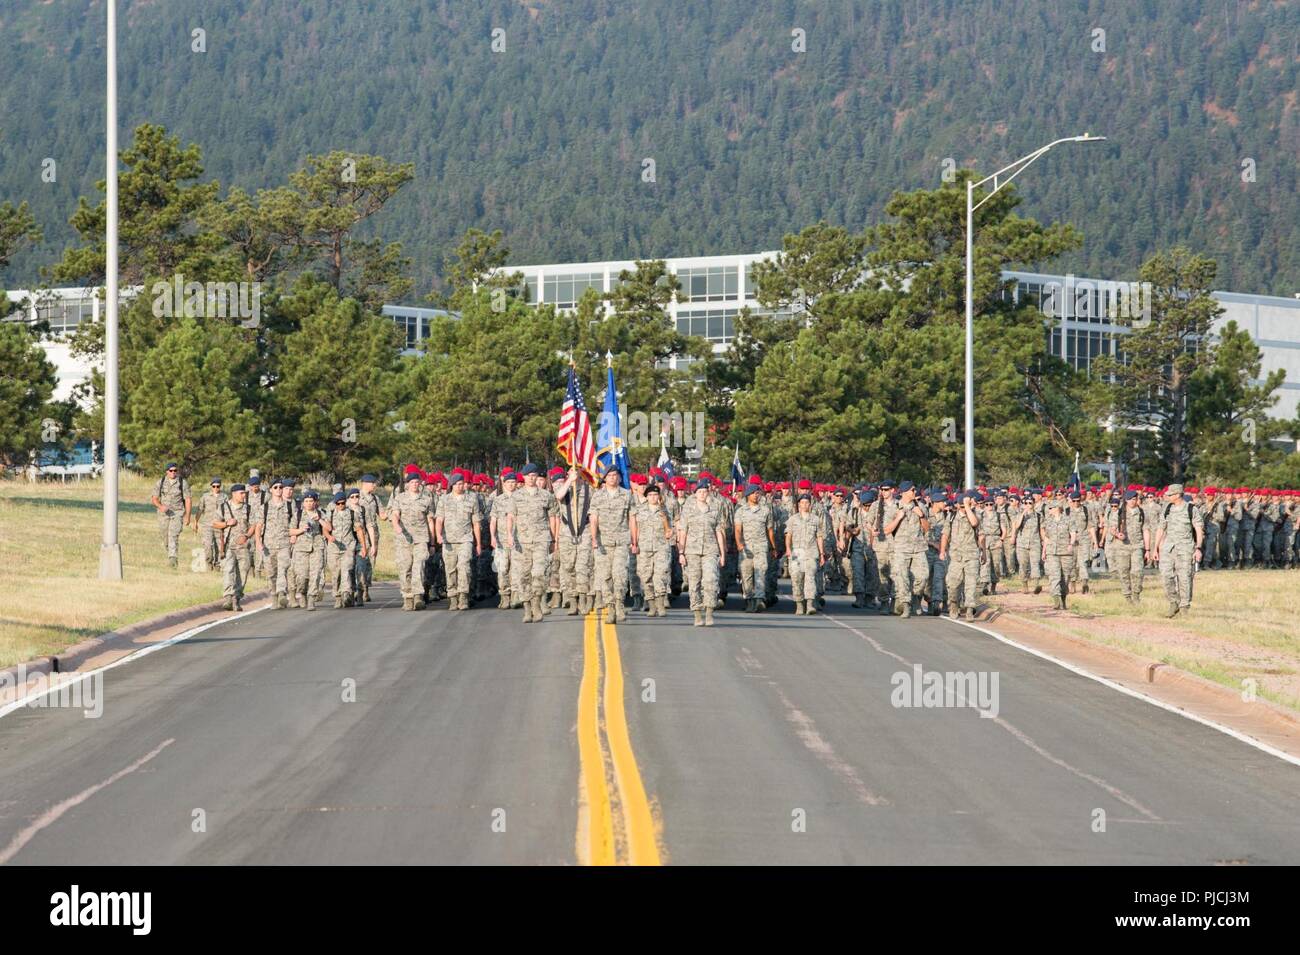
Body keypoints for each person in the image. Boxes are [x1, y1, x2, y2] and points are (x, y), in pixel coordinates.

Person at [506, 463, 555, 624]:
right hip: (522, 541)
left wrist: (554, 539)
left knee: (539, 573)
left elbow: (553, 517)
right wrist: (509, 534)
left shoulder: (546, 495)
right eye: (529, 476)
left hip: (541, 539)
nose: (532, 478)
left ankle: (536, 604)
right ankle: (527, 608)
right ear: (524, 477)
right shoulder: (516, 496)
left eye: (534, 475)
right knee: (524, 576)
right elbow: (511, 516)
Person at [590, 468, 638, 622]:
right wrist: (593, 538)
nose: (612, 478)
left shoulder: (627, 494)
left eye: (615, 475)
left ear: (619, 477)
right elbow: (594, 518)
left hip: (621, 541)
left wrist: (634, 541)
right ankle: (610, 607)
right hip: (603, 542)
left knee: (620, 574)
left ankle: (619, 604)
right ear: (604, 479)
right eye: (609, 476)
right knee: (605, 577)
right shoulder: (597, 496)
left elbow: (632, 519)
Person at [679, 477, 727, 625]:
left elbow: (719, 531)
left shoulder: (715, 509)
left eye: (705, 491)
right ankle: (697, 615)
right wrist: (681, 553)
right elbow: (683, 532)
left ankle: (709, 613)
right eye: (699, 491)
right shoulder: (688, 509)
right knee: (694, 583)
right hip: (691, 551)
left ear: (708, 493)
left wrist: (722, 553)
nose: (702, 494)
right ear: (695, 494)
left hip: (710, 550)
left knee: (711, 580)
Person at [436, 472, 483, 610]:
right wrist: (438, 535)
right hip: (449, 541)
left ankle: (463, 596)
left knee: (464, 567)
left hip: (465, 539)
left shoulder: (472, 499)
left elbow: (476, 522)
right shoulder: (444, 500)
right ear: (452, 485)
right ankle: (453, 597)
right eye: (456, 484)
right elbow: (439, 519)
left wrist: (478, 543)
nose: (459, 486)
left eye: (461, 483)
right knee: (450, 570)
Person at [1155, 483, 1203, 618]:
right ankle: (1173, 602)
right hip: (1168, 548)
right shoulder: (1167, 508)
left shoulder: (1191, 509)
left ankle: (1184, 607)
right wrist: (1155, 548)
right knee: (1165, 575)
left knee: (1185, 578)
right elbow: (1161, 528)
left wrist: (1198, 548)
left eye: (1170, 495)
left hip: (1186, 548)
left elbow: (1199, 530)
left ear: (1177, 495)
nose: (1167, 497)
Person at [884, 481, 930, 619]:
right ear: (903, 492)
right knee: (902, 578)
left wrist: (921, 516)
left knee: (923, 576)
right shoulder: (894, 508)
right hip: (901, 549)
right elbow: (886, 530)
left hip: (918, 548)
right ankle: (906, 605)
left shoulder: (920, 506)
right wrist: (898, 518)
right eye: (912, 490)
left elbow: (927, 528)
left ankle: (916, 597)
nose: (915, 493)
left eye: (915, 490)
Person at [392, 472, 436, 611]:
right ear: (407, 484)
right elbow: (395, 514)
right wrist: (396, 526)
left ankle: (418, 596)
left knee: (419, 566)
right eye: (412, 482)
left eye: (417, 482)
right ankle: (407, 597)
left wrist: (433, 542)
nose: (415, 484)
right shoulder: (400, 498)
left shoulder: (426, 499)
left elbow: (430, 521)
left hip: (421, 538)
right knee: (405, 567)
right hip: (404, 539)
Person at [554, 466, 594, 615]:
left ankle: (583, 598)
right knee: (569, 567)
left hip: (585, 531)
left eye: (577, 472)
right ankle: (573, 600)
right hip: (567, 533)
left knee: (583, 567)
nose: (575, 474)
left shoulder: (590, 489)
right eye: (571, 471)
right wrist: (569, 481)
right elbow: (559, 496)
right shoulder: (561, 486)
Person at [213, 483, 260, 612]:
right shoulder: (224, 507)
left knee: (243, 572)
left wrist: (246, 535)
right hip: (228, 545)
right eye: (241, 493)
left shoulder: (248, 509)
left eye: (244, 493)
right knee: (228, 570)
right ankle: (228, 597)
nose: (243, 495)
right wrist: (226, 523)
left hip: (244, 546)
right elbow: (215, 523)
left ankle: (236, 598)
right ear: (233, 494)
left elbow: (253, 525)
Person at [734, 480, 775, 613]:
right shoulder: (741, 511)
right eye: (753, 493)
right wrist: (739, 544)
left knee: (761, 572)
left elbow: (769, 530)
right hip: (746, 547)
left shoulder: (765, 510)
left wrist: (773, 547)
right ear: (748, 495)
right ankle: (749, 600)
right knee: (746, 575)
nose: (756, 496)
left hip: (761, 546)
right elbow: (738, 530)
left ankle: (759, 600)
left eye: (758, 493)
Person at [634, 483, 674, 616]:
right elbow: (636, 528)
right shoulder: (639, 510)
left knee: (660, 576)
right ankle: (651, 605)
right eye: (650, 495)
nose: (653, 497)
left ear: (659, 496)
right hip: (644, 548)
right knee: (645, 577)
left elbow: (669, 532)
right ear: (646, 496)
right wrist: (634, 544)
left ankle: (660, 605)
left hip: (661, 547)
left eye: (655, 495)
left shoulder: (664, 510)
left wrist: (666, 523)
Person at [942, 490, 982, 620]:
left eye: (967, 506)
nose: (965, 509)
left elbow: (975, 523)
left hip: (971, 556)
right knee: (952, 584)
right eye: (963, 506)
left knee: (971, 584)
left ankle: (969, 609)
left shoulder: (975, 514)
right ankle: (954, 604)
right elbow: (945, 535)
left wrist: (969, 507)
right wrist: (942, 551)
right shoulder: (952, 517)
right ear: (958, 506)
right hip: (956, 556)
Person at [289, 490, 326, 611]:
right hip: (301, 549)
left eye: (311, 501)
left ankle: (311, 599)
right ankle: (303, 593)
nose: (309, 503)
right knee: (302, 576)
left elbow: (329, 528)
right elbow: (290, 531)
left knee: (315, 575)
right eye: (306, 501)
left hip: (317, 547)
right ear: (303, 503)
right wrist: (301, 530)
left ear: (315, 502)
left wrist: (320, 519)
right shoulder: (298, 514)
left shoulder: (321, 513)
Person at [151, 463, 191, 568]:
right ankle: (171, 554)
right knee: (165, 536)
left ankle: (173, 559)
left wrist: (187, 516)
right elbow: (154, 499)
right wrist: (160, 506)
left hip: (177, 512)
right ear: (167, 471)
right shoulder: (161, 482)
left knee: (173, 535)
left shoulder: (182, 483)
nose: (173, 472)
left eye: (175, 470)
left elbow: (188, 500)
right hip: (163, 514)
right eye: (171, 470)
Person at [1040, 497, 1076, 611]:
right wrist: (1044, 550)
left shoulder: (1069, 520)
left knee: (1065, 578)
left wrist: (1071, 544)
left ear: (1057, 508)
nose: (1049, 510)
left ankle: (1063, 600)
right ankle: (1056, 601)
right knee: (1054, 577)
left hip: (1065, 552)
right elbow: (1047, 537)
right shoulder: (1048, 521)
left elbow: (1073, 533)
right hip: (1052, 552)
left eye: (1051, 508)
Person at [263, 478, 295, 609]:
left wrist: (293, 535)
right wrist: (259, 542)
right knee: (271, 573)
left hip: (284, 543)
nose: (279, 490)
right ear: (271, 490)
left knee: (283, 568)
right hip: (269, 545)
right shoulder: (264, 507)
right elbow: (259, 525)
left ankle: (282, 593)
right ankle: (274, 597)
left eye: (280, 487)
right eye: (275, 487)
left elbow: (293, 522)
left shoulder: (289, 505)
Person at [194, 477, 227, 571]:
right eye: (214, 486)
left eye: (218, 486)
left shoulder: (224, 497)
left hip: (219, 525)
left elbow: (228, 511)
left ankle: (217, 565)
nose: (216, 488)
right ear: (211, 486)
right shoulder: (205, 496)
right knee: (208, 544)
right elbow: (200, 509)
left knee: (219, 545)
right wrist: (196, 522)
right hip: (207, 524)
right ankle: (208, 562)